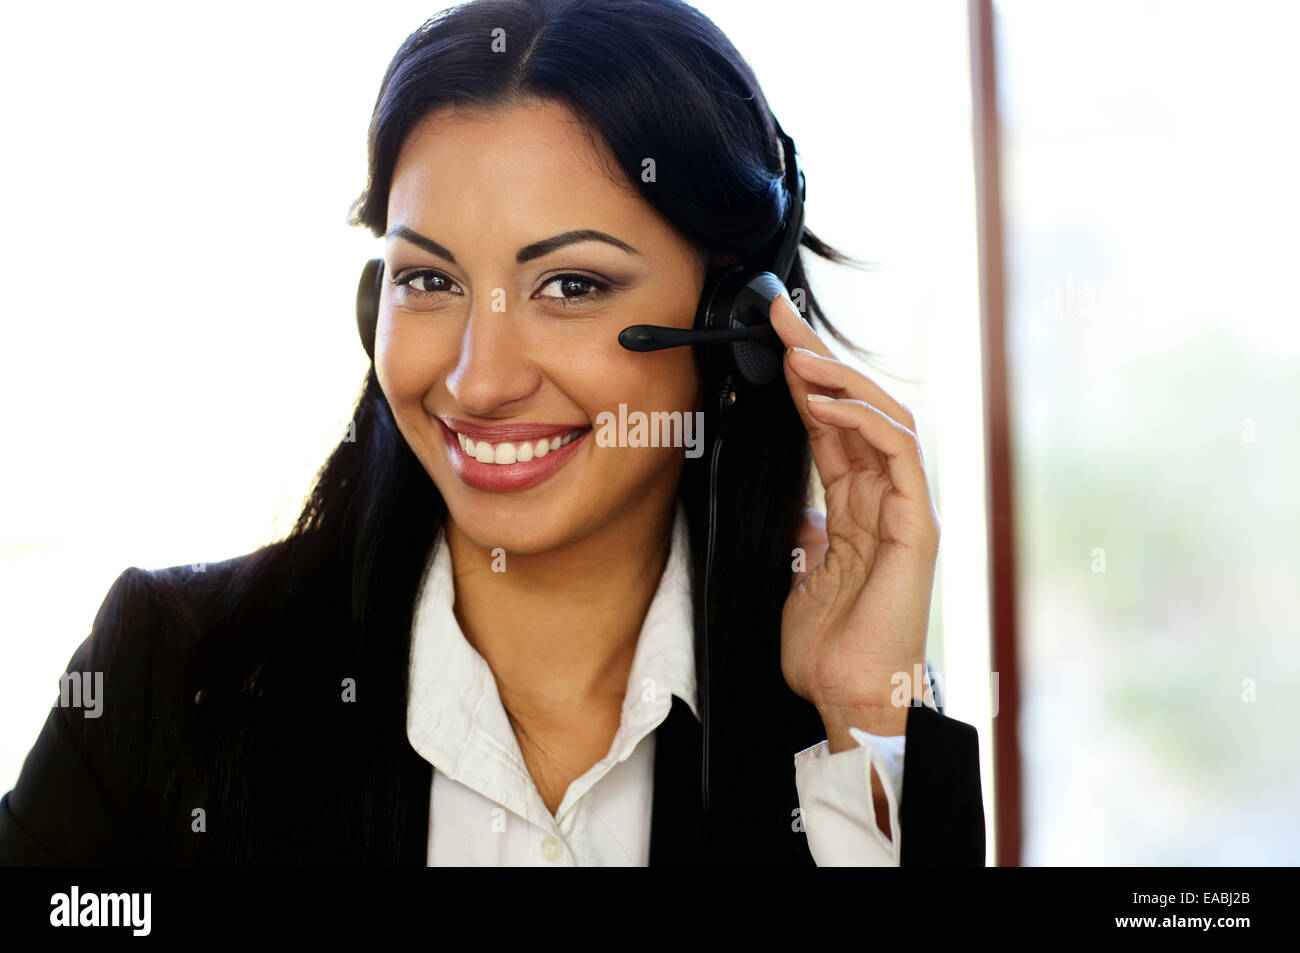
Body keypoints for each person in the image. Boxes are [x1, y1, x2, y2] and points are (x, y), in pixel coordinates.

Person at [0, 0, 984, 867]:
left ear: (734, 323)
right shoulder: (173, 673)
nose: (477, 377)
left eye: (570, 286)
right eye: (430, 280)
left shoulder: (834, 724)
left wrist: (864, 721)